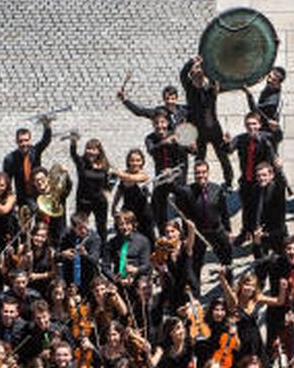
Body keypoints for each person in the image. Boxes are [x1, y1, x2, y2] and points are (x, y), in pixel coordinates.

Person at [228, 112, 282, 241]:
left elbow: (277, 138)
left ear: (259, 125)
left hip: (261, 181)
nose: (251, 127)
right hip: (246, 181)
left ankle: (262, 235)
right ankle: (246, 232)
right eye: (248, 124)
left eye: (254, 124)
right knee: (247, 209)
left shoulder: (266, 137)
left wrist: (277, 129)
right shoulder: (240, 139)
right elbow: (229, 149)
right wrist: (226, 142)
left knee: (261, 209)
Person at [181, 55, 233, 189]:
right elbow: (182, 74)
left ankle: (228, 183)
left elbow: (223, 78)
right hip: (199, 133)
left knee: (223, 158)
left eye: (200, 70)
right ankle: (199, 183)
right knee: (199, 160)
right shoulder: (189, 89)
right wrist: (192, 61)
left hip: (215, 130)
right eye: (195, 71)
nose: (198, 72)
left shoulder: (211, 87)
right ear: (192, 75)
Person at [177, 160, 232, 284]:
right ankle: (196, 291)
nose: (201, 175)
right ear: (194, 174)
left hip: (217, 230)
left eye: (203, 172)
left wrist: (228, 230)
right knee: (195, 264)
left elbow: (224, 212)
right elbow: (184, 217)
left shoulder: (217, 189)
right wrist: (186, 235)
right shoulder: (187, 192)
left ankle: (229, 285)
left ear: (208, 173)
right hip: (198, 233)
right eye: (197, 173)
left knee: (226, 259)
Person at [68, 133, 114, 239]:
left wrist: (108, 190)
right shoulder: (81, 163)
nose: (90, 152)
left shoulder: (104, 165)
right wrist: (73, 142)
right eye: (88, 148)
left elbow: (112, 177)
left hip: (99, 201)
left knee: (101, 227)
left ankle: (103, 250)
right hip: (84, 200)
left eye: (94, 149)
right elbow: (73, 154)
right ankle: (76, 246)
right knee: (79, 225)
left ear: (99, 151)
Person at [3, 121, 53, 204]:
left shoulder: (35, 151)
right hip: (22, 197)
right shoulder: (10, 159)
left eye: (26, 140)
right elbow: (7, 182)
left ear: (30, 140)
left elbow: (45, 141)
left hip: (39, 194)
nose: (24, 144)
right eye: (21, 141)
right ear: (16, 141)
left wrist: (47, 126)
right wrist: (10, 201)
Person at [119, 84, 188, 127]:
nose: (170, 101)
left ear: (177, 99)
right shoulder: (158, 111)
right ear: (163, 99)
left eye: (172, 99)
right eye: (167, 99)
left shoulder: (183, 111)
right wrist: (124, 100)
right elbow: (139, 111)